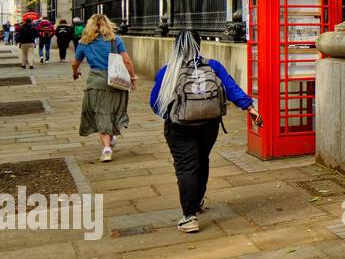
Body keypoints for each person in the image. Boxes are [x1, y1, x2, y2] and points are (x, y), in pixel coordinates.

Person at [150, 31, 259, 233]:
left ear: (176, 47)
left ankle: (189, 216)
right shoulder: (213, 66)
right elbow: (231, 88)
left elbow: (156, 104)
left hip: (180, 127)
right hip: (209, 125)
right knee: (202, 159)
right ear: (199, 45)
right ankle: (198, 198)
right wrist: (250, 108)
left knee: (186, 167)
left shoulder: (169, 70)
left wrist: (173, 116)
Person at [72, 13, 136, 161]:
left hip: (95, 81)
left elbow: (75, 63)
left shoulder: (84, 42)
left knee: (101, 112)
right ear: (107, 24)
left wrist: (75, 73)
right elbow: (127, 61)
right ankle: (109, 141)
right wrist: (132, 78)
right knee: (112, 110)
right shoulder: (115, 40)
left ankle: (107, 148)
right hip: (116, 80)